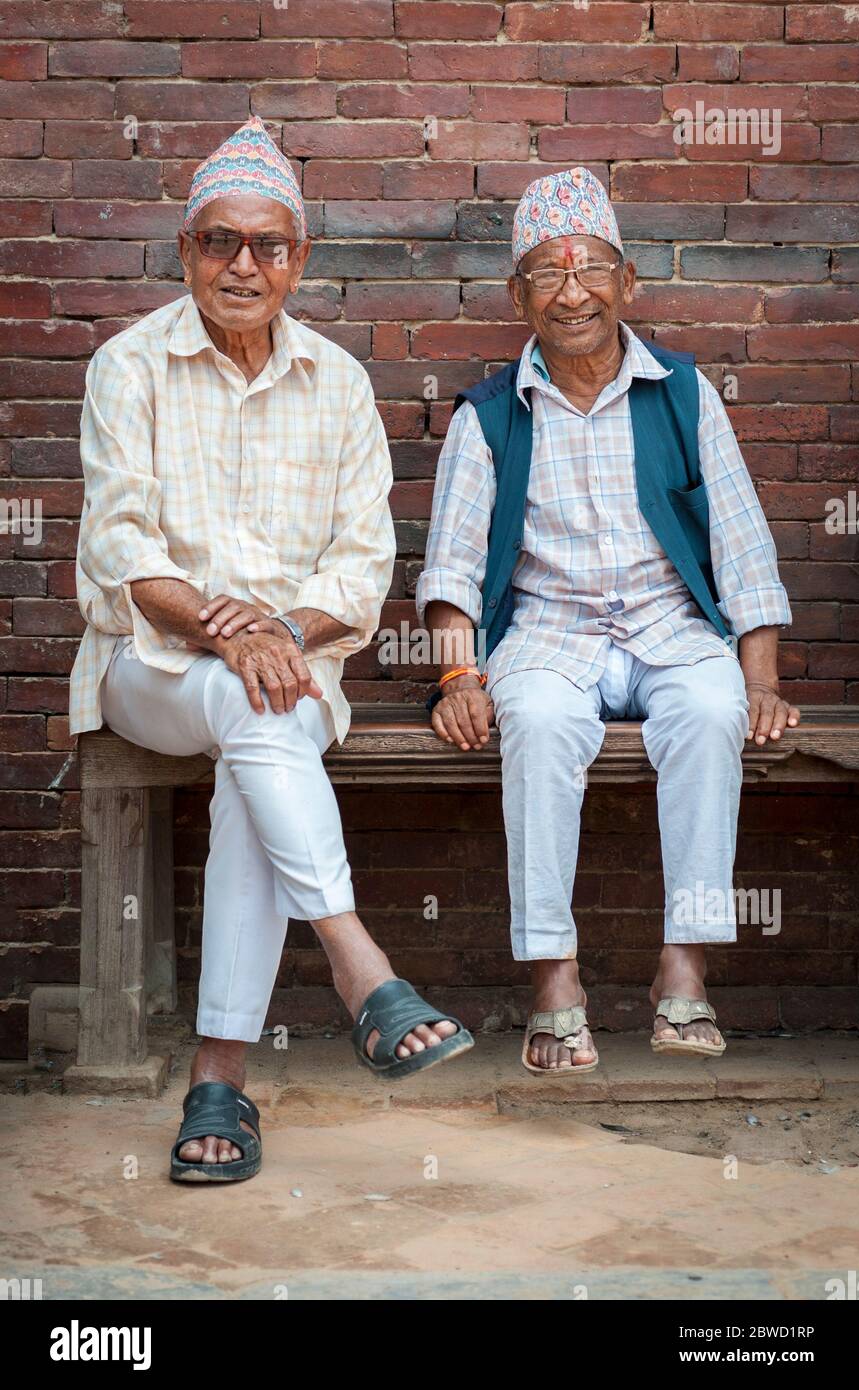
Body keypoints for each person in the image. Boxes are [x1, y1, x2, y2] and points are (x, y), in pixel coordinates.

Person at [69, 118, 473, 1182]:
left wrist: (279, 634)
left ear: (300, 260)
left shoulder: (337, 384)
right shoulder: (129, 366)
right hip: (147, 668)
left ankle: (220, 1084)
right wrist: (220, 626)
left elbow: (361, 562)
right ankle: (360, 965)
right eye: (218, 242)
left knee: (265, 723)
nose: (242, 265)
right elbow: (118, 548)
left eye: (267, 245)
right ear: (185, 250)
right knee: (257, 706)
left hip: (288, 676)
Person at [417, 166, 798, 1076]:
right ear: (520, 295)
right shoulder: (488, 416)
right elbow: (452, 570)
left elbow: (742, 546)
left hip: (671, 630)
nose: (574, 291)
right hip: (547, 639)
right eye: (549, 273)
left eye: (593, 271)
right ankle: (555, 978)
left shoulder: (682, 391)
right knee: (540, 724)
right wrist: (459, 675)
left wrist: (762, 679)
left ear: (627, 282)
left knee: (713, 715)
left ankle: (685, 967)